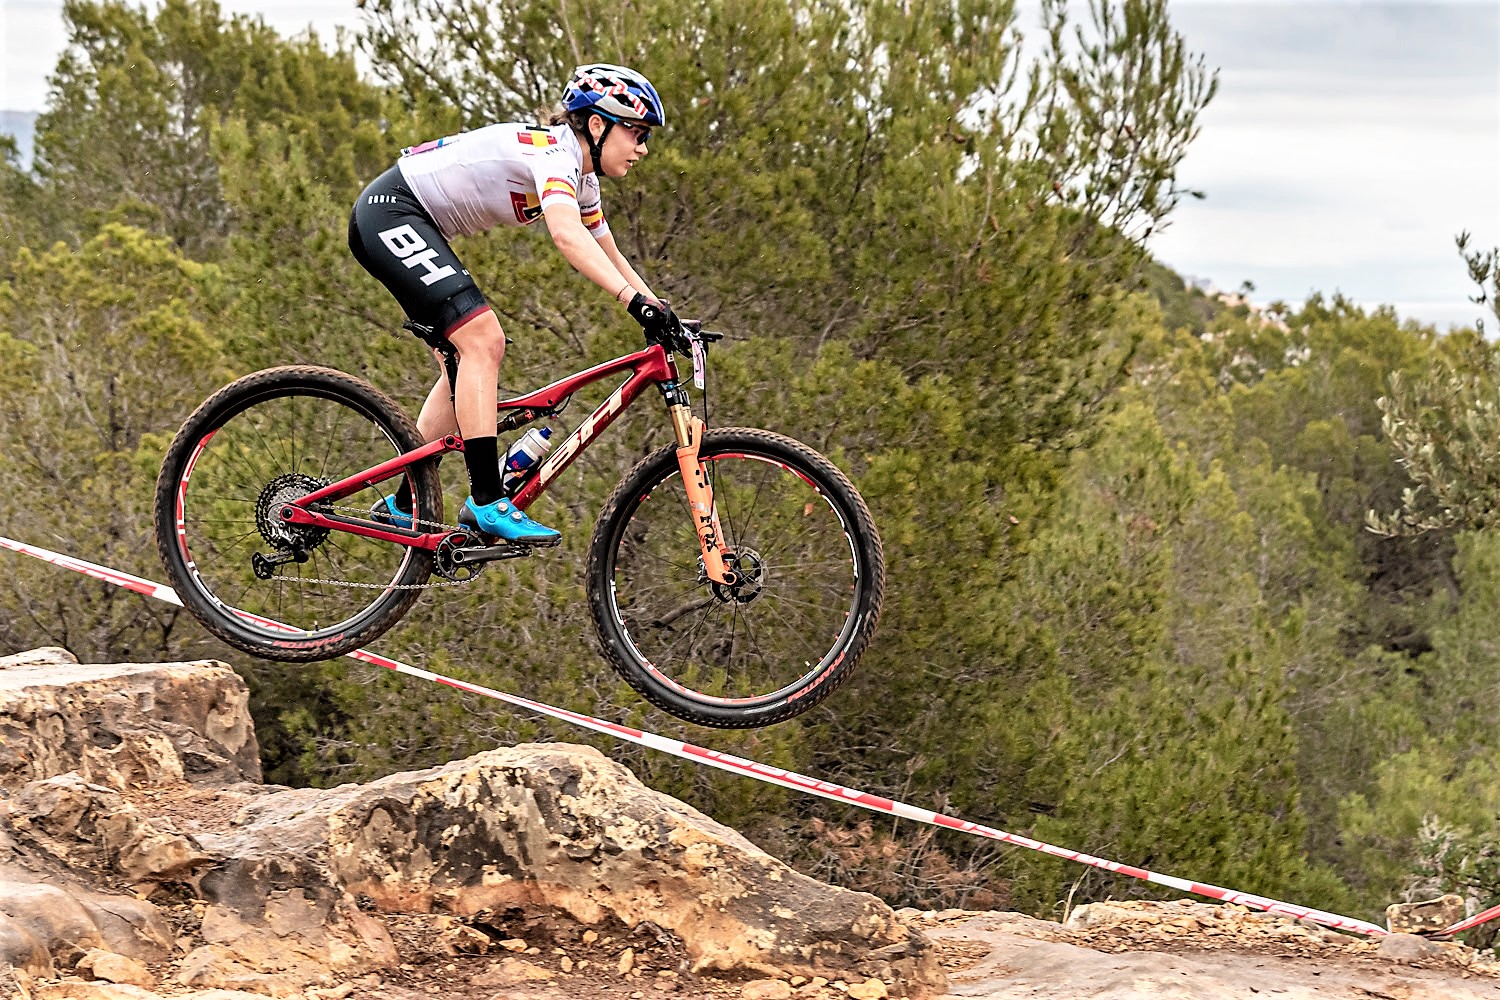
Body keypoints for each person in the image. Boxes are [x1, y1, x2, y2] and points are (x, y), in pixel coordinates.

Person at [347, 63, 682, 544]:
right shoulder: (555, 155)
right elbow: (567, 237)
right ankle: (487, 500)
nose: (643, 147)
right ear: (596, 125)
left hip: (408, 218)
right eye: (637, 132)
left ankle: (405, 504)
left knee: (461, 367)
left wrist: (660, 311)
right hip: (392, 212)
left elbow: (608, 252)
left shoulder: (583, 179)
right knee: (483, 340)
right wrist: (634, 303)